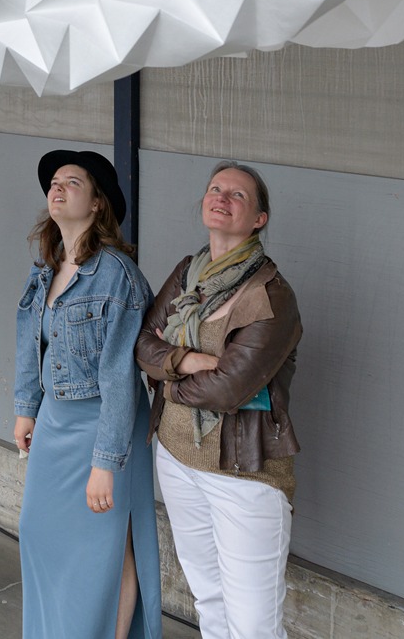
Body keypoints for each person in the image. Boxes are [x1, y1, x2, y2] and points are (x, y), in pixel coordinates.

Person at [135, 162, 301, 639]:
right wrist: (188, 362)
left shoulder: (271, 294)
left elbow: (231, 387)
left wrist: (167, 374)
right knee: (208, 600)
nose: (222, 197)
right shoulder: (190, 272)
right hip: (176, 456)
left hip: (241, 475)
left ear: (259, 220)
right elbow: (143, 343)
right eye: (215, 189)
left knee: (252, 624)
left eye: (238, 195)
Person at [15, 149, 161, 639]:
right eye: (53, 182)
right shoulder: (46, 269)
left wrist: (106, 460)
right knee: (39, 533)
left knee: (106, 547)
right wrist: (26, 408)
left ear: (98, 204)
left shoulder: (117, 275)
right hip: (56, 422)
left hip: (104, 427)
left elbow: (120, 377)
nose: (57, 188)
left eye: (72, 182)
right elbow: (31, 341)